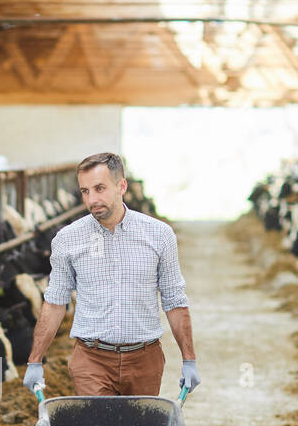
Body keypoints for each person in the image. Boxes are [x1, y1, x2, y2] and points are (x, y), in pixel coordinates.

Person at [24, 152, 199, 400]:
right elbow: (55, 302)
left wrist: (189, 359)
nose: (92, 199)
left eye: (99, 188)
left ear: (122, 186)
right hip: (91, 360)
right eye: (85, 191)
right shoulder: (68, 239)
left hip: (144, 359)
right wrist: (34, 361)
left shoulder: (159, 235)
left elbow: (174, 300)